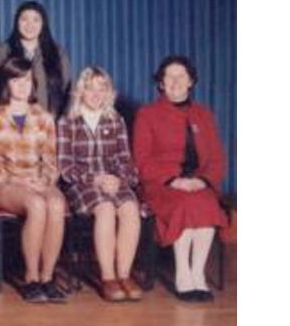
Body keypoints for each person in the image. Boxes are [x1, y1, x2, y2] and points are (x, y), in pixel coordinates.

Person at [133, 55, 230, 302]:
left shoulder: (204, 114)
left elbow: (217, 157)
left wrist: (204, 181)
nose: (175, 82)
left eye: (181, 76)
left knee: (206, 203)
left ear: (191, 82)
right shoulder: (148, 114)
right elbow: (141, 159)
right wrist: (172, 180)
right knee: (185, 204)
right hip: (161, 184)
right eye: (169, 77)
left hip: (198, 183)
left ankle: (198, 273)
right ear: (161, 83)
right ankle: (183, 274)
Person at [0, 57, 68, 303]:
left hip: (38, 180)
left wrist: (44, 180)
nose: (22, 85)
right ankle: (31, 278)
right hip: (6, 185)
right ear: (7, 83)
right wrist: (19, 181)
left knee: (56, 204)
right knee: (36, 205)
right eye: (16, 79)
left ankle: (47, 278)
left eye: (27, 80)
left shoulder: (44, 117)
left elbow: (52, 161)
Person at [58, 66, 142, 302]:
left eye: (101, 88)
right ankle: (108, 278)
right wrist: (94, 179)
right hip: (82, 184)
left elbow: (125, 160)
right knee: (105, 209)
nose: (96, 94)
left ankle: (124, 274)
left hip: (113, 181)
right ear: (80, 92)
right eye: (90, 88)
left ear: (109, 93)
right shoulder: (68, 122)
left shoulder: (116, 121)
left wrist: (119, 179)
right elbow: (65, 166)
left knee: (130, 208)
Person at [0, 1, 71, 117]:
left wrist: (61, 121)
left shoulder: (58, 54)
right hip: (10, 124)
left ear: (43, 24)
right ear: (16, 23)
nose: (29, 25)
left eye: (36, 20)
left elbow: (68, 91)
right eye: (24, 19)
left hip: (48, 124)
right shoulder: (3, 51)